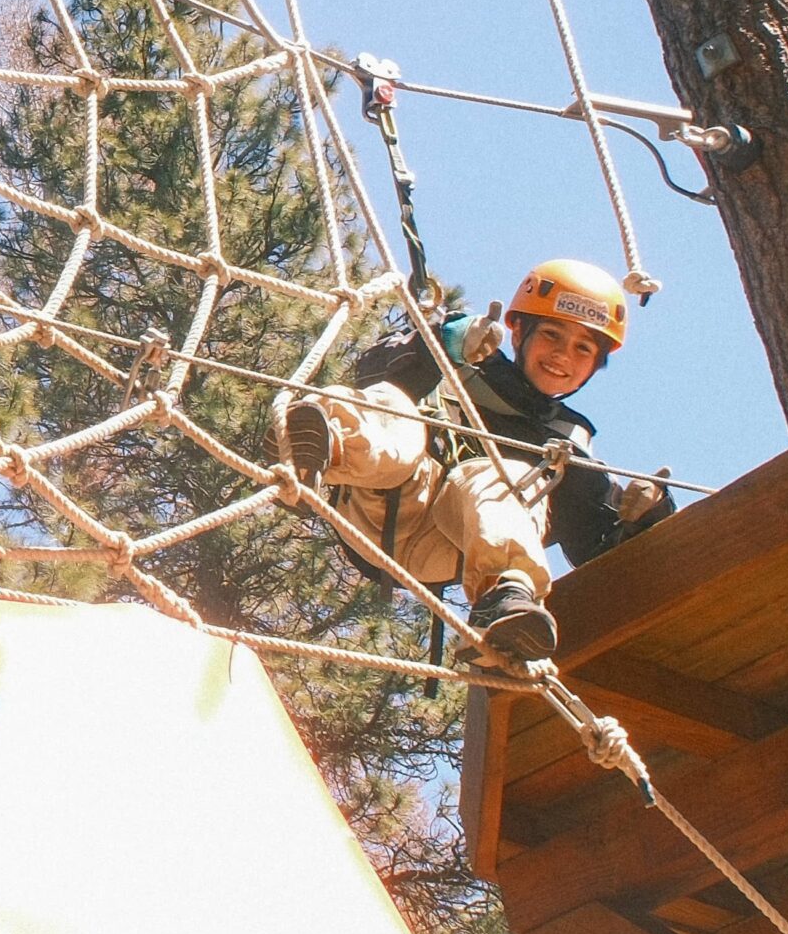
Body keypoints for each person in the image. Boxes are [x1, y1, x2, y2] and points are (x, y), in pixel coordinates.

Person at [275, 258, 673, 664]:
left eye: (583, 348)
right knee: (400, 408)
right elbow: (374, 372)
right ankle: (314, 448)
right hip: (386, 497)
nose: (561, 355)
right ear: (518, 331)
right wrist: (448, 341)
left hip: (449, 549)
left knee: (505, 477)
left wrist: (650, 511)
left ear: (595, 365)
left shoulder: (568, 447)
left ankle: (504, 601)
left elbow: (599, 550)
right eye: (551, 334)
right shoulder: (463, 360)